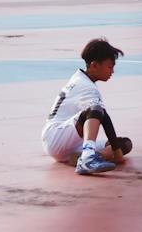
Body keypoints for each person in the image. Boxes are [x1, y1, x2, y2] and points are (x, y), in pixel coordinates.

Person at [42, 39, 133, 175]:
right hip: (57, 137)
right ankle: (87, 158)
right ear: (94, 65)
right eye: (109, 66)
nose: (112, 71)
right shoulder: (85, 86)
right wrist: (117, 154)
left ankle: (88, 156)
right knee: (95, 109)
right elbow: (100, 114)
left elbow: (104, 117)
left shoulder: (81, 78)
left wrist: (116, 149)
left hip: (69, 141)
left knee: (125, 143)